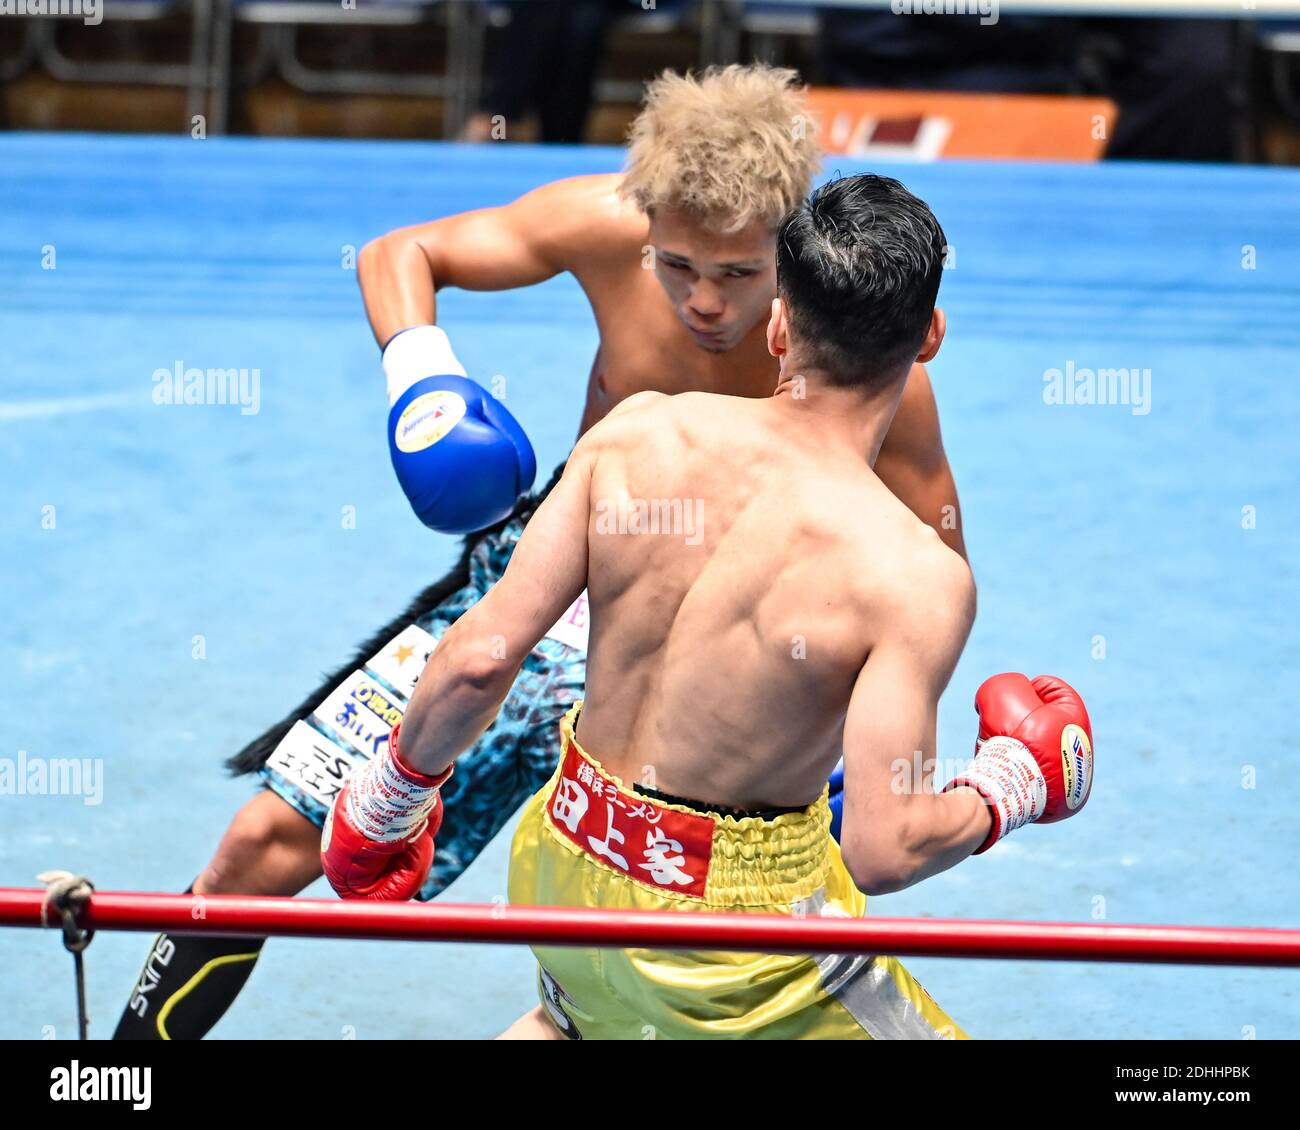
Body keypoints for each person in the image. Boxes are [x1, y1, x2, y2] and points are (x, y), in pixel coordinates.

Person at [114, 65, 967, 1040]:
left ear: (790, 269)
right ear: (641, 226)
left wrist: (865, 727)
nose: (700, 300)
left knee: (677, 968)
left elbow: (930, 564)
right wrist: (423, 384)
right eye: (675, 265)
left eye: (736, 274)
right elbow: (404, 251)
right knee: (257, 849)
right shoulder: (601, 225)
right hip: (560, 577)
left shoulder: (877, 381)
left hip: (738, 652)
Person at [322, 174, 1094, 1040]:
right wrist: (1009, 787)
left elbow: (477, 659)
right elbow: (883, 848)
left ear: (777, 324)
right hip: (733, 935)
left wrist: (387, 798)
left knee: (579, 1024)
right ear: (931, 340)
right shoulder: (914, 575)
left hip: (564, 855)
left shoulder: (634, 434)